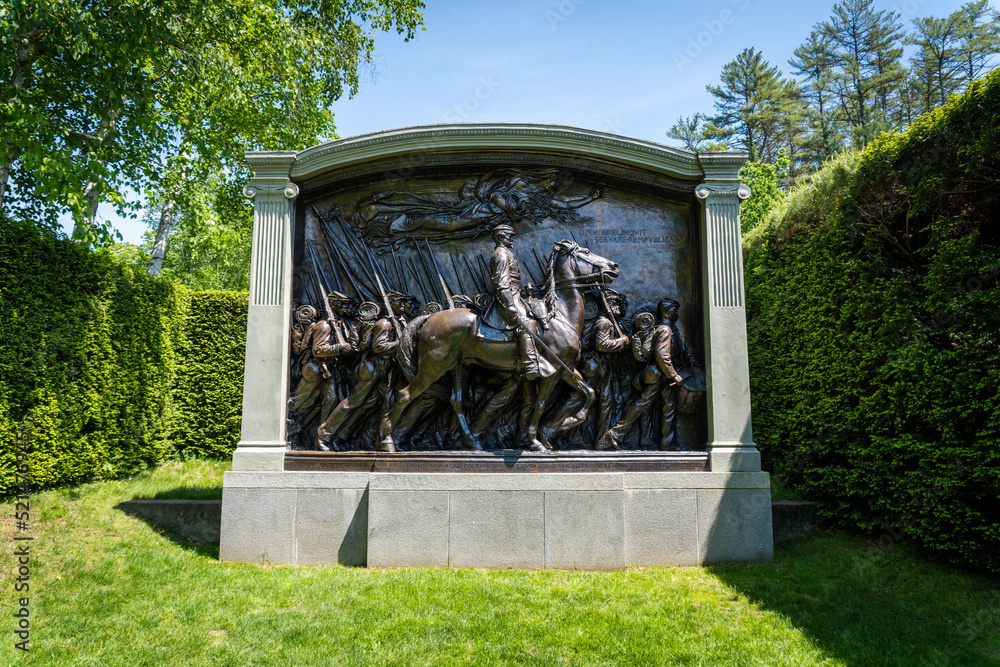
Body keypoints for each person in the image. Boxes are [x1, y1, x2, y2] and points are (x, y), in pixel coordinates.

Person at [314, 291, 419, 451]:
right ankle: (324, 434)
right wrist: (401, 343)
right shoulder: (384, 324)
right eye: (400, 302)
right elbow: (378, 347)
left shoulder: (396, 321)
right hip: (372, 367)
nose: (404, 306)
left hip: (386, 369)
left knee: (386, 404)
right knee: (353, 402)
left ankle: (383, 441)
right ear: (391, 304)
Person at [597, 298, 686, 451]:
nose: (677, 313)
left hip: (659, 375)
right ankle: (612, 436)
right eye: (674, 310)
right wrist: (673, 375)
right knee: (646, 405)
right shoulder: (664, 330)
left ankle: (666, 443)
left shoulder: (669, 329)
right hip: (660, 375)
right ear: (666, 311)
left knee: (653, 406)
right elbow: (661, 355)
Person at [489, 224, 543, 380]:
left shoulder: (506, 253)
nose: (512, 238)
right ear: (500, 237)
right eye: (508, 235)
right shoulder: (500, 254)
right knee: (528, 323)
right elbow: (502, 284)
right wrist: (510, 305)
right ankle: (530, 364)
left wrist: (523, 291)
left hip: (515, 294)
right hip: (507, 298)